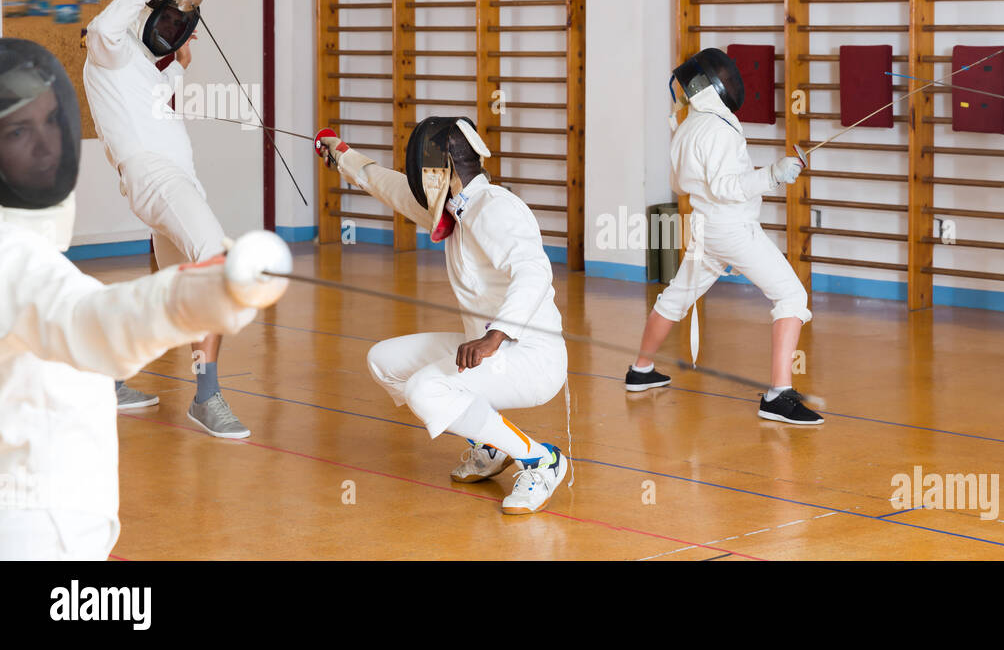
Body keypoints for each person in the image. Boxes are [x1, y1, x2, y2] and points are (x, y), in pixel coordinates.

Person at [0, 38, 289, 559]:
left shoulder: (145, 74)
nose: (45, 146)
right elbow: (96, 322)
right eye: (18, 130)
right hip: (38, 534)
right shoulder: (18, 266)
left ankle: (135, 386)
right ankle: (207, 395)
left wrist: (176, 70)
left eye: (50, 124)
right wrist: (203, 293)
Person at [314, 118, 570, 514]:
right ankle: (489, 445)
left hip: (530, 357)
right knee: (385, 362)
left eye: (423, 169)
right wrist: (341, 155)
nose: (417, 178)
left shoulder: (495, 208)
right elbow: (389, 185)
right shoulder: (453, 208)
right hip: (486, 350)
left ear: (445, 167)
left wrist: (495, 335)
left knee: (424, 389)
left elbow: (534, 271)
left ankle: (540, 460)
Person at [82, 0, 246, 437]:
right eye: (171, 24)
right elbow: (103, 26)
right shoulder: (108, 50)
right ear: (146, 15)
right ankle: (207, 396)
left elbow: (158, 91)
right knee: (215, 262)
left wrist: (178, 62)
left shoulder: (137, 65)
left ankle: (109, 377)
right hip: (156, 179)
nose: (175, 34)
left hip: (179, 182)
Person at [624, 48, 821, 425]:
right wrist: (773, 175)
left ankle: (641, 369)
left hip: (704, 228)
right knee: (791, 294)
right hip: (731, 230)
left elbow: (678, 183)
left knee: (676, 297)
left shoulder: (688, 126)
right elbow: (728, 185)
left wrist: (772, 174)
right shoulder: (718, 127)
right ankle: (778, 396)